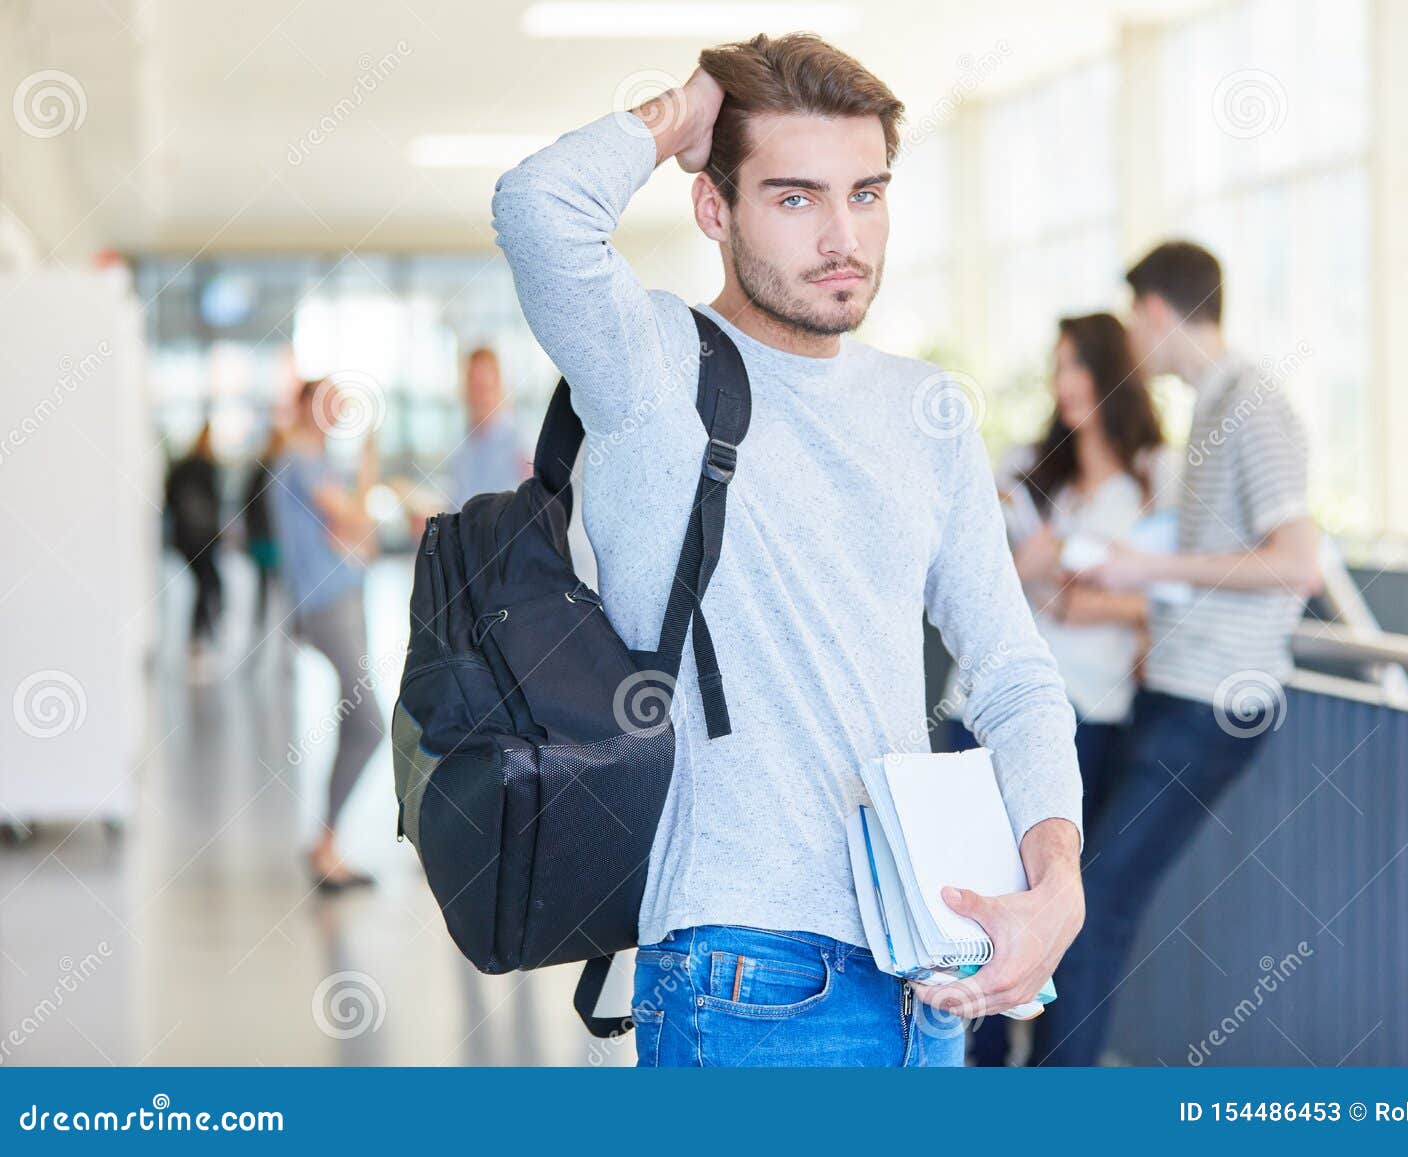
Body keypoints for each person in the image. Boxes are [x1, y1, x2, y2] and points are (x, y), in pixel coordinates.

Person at [492, 33, 1085, 1067]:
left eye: (866, 193)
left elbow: (1012, 670)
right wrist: (681, 116)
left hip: (926, 967)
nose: (842, 236)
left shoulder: (925, 411)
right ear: (714, 208)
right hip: (745, 972)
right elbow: (535, 207)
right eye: (796, 196)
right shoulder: (651, 372)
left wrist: (1056, 878)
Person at [1047, 240, 1322, 1065]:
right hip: (1172, 688)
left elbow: (1296, 562)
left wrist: (1144, 569)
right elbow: (1224, 552)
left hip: (1214, 701)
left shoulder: (1255, 403)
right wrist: (1153, 612)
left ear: (1158, 313)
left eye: (1136, 318)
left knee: (1094, 900)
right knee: (1086, 895)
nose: (1131, 337)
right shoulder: (1212, 405)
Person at [974, 312, 1174, 1066]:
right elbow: (982, 580)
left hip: (1093, 715)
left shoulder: (1155, 477)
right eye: (1059, 368)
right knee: (978, 903)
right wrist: (1036, 570)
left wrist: (1094, 602)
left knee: (1063, 908)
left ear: (1115, 375)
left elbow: (1175, 596)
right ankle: (978, 1069)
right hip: (998, 713)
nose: (1066, 385)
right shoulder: (1030, 467)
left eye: (1080, 367)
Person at [266, 379, 384, 893]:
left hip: (343, 600)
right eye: (327, 399)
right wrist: (363, 492)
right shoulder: (301, 460)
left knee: (356, 721)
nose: (338, 408)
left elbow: (364, 537)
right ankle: (325, 843)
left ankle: (327, 843)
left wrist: (355, 521)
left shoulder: (314, 462)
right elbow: (355, 520)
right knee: (369, 723)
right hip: (328, 606)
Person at [164, 421, 224, 668]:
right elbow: (212, 505)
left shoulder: (182, 467)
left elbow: (170, 499)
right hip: (202, 539)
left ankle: (200, 635)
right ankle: (201, 635)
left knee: (204, 585)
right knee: (210, 584)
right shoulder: (205, 468)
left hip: (187, 539)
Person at [444, 347, 530, 510]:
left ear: (499, 387)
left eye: (486, 388)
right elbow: (457, 502)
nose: (480, 397)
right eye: (475, 387)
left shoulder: (520, 442)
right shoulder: (462, 444)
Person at [242, 426, 285, 630]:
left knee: (267, 586)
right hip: (267, 538)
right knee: (270, 585)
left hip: (264, 537)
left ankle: (263, 623)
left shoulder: (266, 470)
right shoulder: (270, 471)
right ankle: (264, 624)